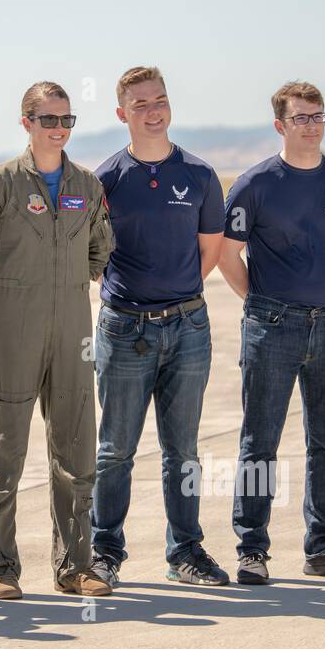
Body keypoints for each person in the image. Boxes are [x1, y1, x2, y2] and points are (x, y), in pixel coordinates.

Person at [0, 81, 114, 600]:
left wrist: (61, 287)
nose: (58, 129)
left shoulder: (87, 183)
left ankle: (75, 566)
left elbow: (100, 250)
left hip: (72, 334)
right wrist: (5, 288)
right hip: (12, 332)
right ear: (26, 123)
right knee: (4, 447)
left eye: (66, 121)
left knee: (76, 448)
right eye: (48, 120)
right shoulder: (0, 181)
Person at [218, 81, 325, 585]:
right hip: (272, 327)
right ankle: (252, 549)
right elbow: (227, 254)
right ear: (280, 125)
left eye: (317, 116)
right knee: (259, 442)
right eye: (301, 117)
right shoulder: (254, 184)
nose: (311, 125)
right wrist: (265, 303)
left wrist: (319, 294)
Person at [90, 66, 227, 588]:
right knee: (115, 448)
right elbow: (95, 257)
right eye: (141, 103)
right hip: (125, 329)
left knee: (183, 449)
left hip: (189, 326)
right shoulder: (105, 180)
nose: (153, 110)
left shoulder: (199, 175)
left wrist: (173, 296)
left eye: (160, 100)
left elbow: (208, 250)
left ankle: (185, 553)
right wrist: (133, 300)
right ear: (122, 114)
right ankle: (104, 553)